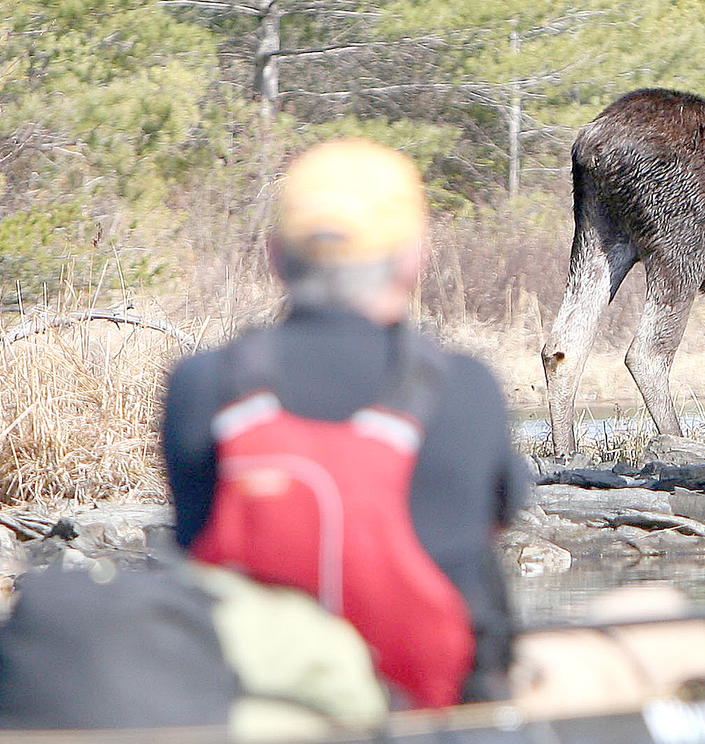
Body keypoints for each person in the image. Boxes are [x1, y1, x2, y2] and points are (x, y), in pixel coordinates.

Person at [161, 139, 530, 709]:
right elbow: (501, 514)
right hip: (432, 718)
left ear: (276, 256)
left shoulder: (200, 385)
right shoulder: (467, 387)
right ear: (412, 259)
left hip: (248, 713)